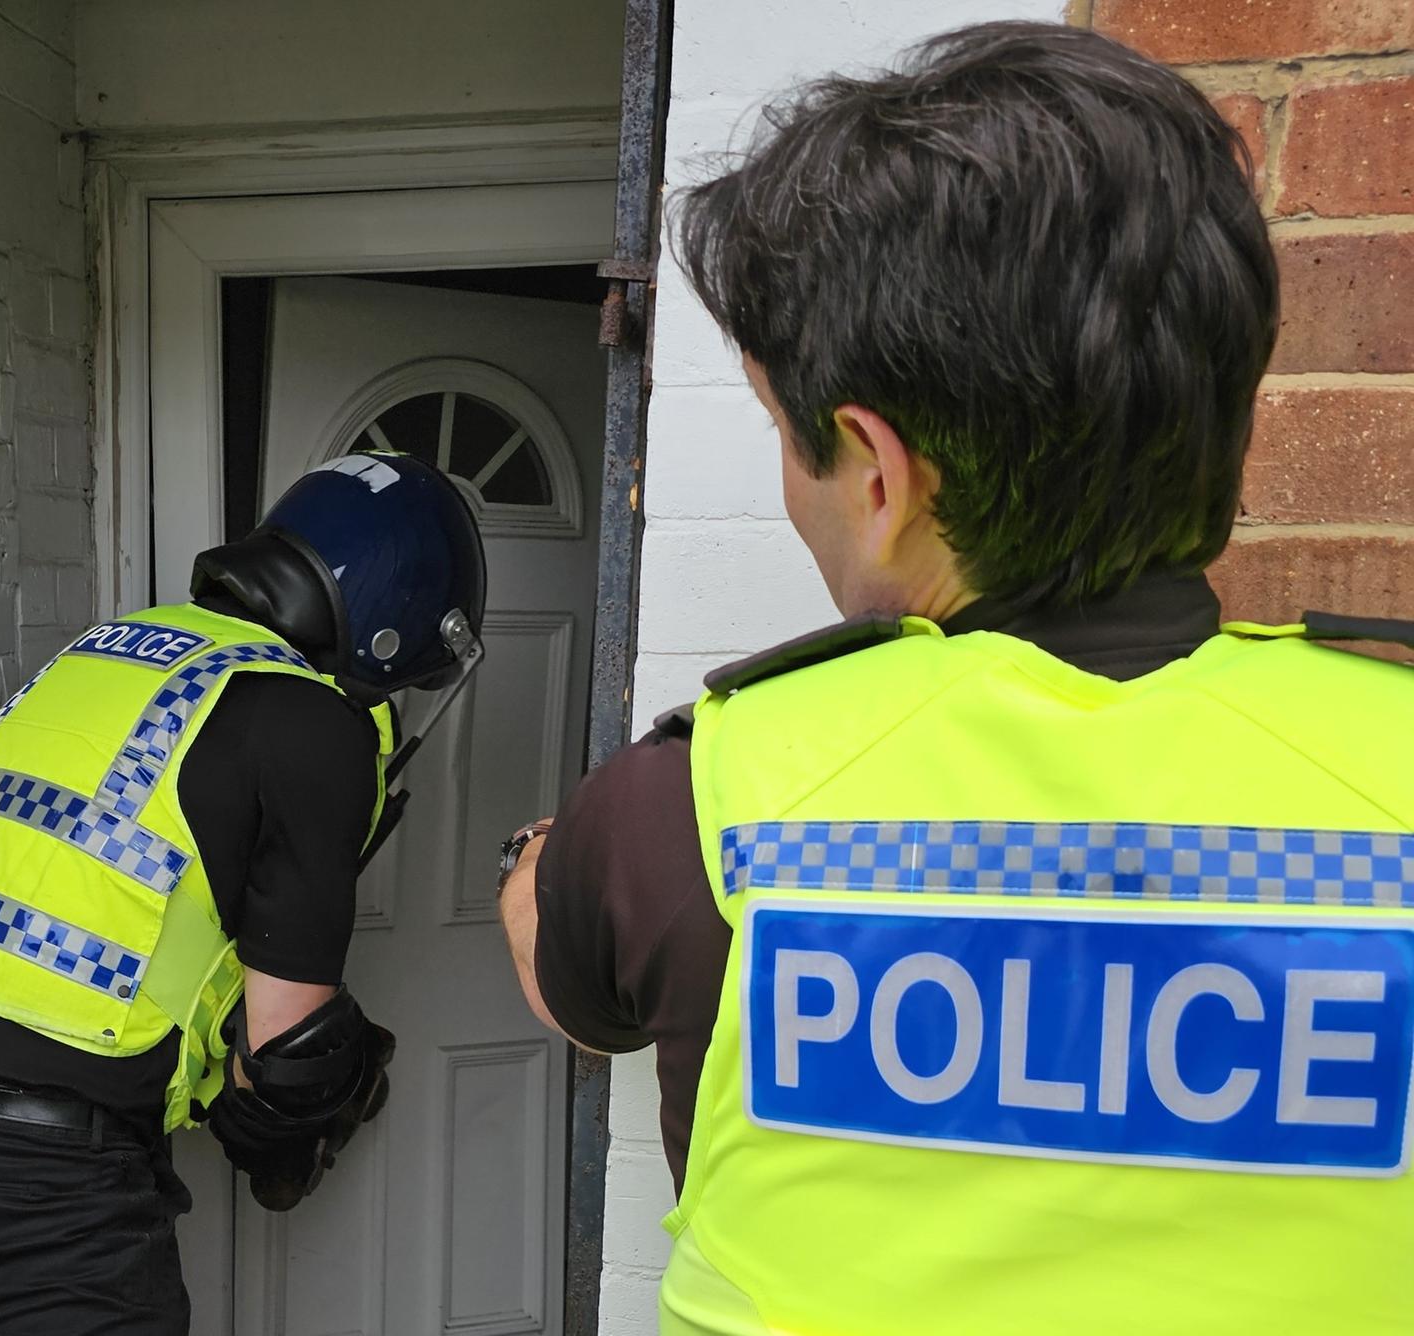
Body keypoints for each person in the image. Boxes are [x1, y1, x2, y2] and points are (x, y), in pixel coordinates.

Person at [498, 21, 1412, 1336]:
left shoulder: (686, 811)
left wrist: (544, 860)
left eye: (781, 433)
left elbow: (569, 986)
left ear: (877, 471)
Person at [0, 449, 487, 1335]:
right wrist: (312, 1102)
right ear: (391, 627)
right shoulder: (312, 723)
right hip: (31, 1178)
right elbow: (289, 1045)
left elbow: (120, 922)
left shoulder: (117, 653)